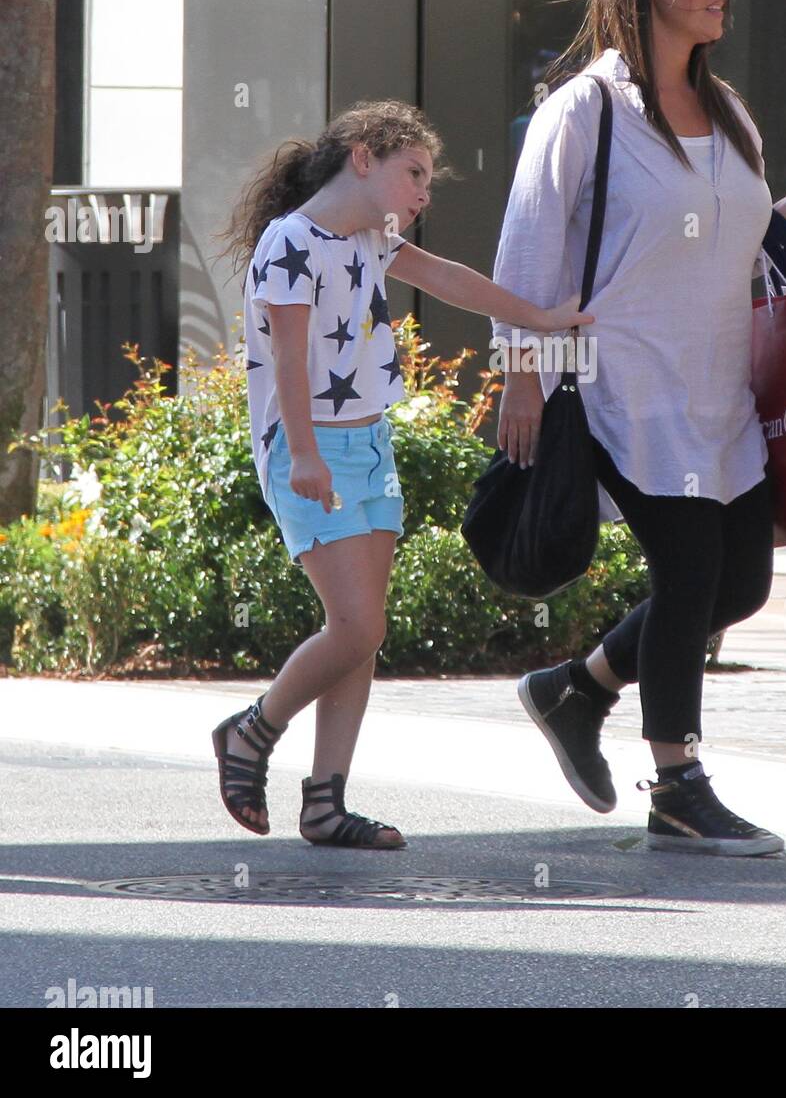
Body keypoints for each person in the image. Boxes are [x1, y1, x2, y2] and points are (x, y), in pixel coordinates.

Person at [490, 0, 786, 855]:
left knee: (736, 585)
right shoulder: (583, 109)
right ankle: (677, 783)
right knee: (688, 571)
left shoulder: (729, 110)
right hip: (623, 383)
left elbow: (736, 238)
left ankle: (573, 689)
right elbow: (528, 254)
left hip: (718, 389)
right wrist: (522, 380)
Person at [213, 100, 593, 847]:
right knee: (357, 625)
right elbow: (289, 362)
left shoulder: (373, 236)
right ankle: (251, 731)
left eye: (428, 181)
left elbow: (452, 281)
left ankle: (325, 803)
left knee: (358, 633)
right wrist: (309, 456)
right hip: (306, 448)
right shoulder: (291, 243)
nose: (422, 193)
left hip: (369, 444)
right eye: (412, 173)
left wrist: (542, 321)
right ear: (362, 156)